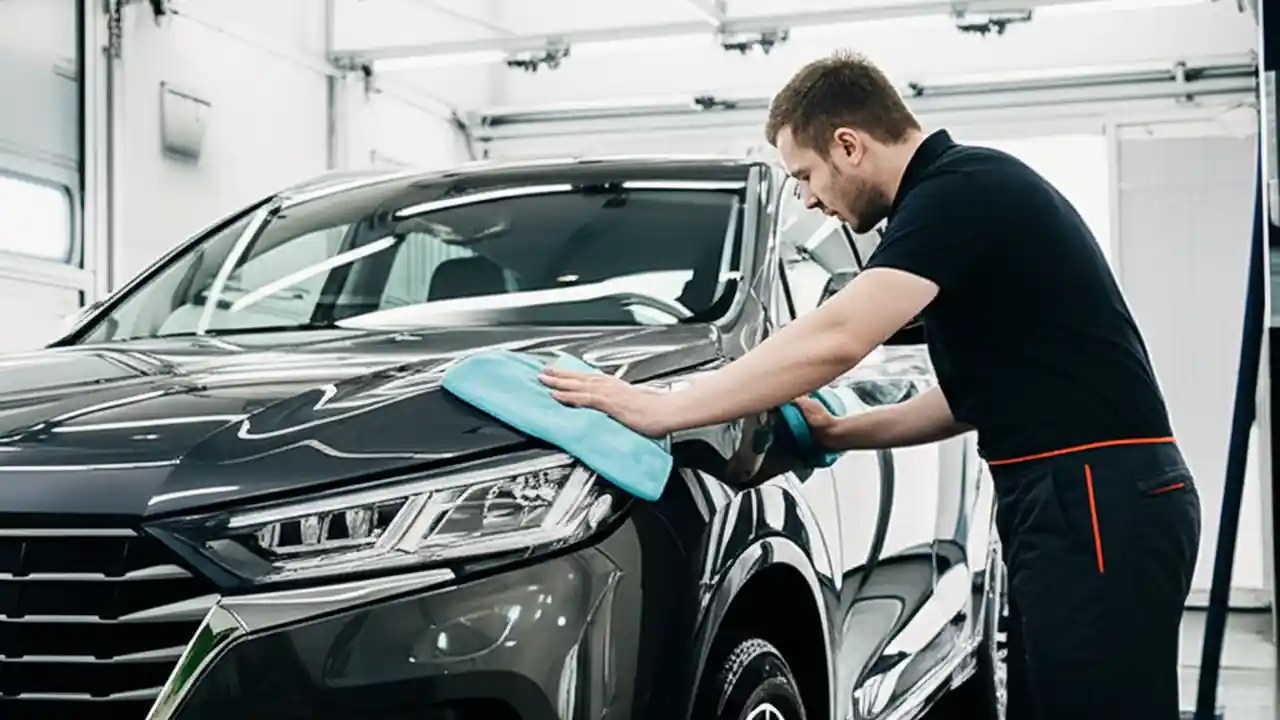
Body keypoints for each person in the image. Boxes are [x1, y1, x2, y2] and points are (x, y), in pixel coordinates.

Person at [539, 50, 1201, 719]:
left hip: (1093, 497)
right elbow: (969, 399)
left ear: (848, 145)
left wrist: (663, 408)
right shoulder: (961, 196)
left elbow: (839, 335)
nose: (808, 198)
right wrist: (839, 431)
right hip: (1071, 495)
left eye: (805, 175)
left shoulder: (960, 191)